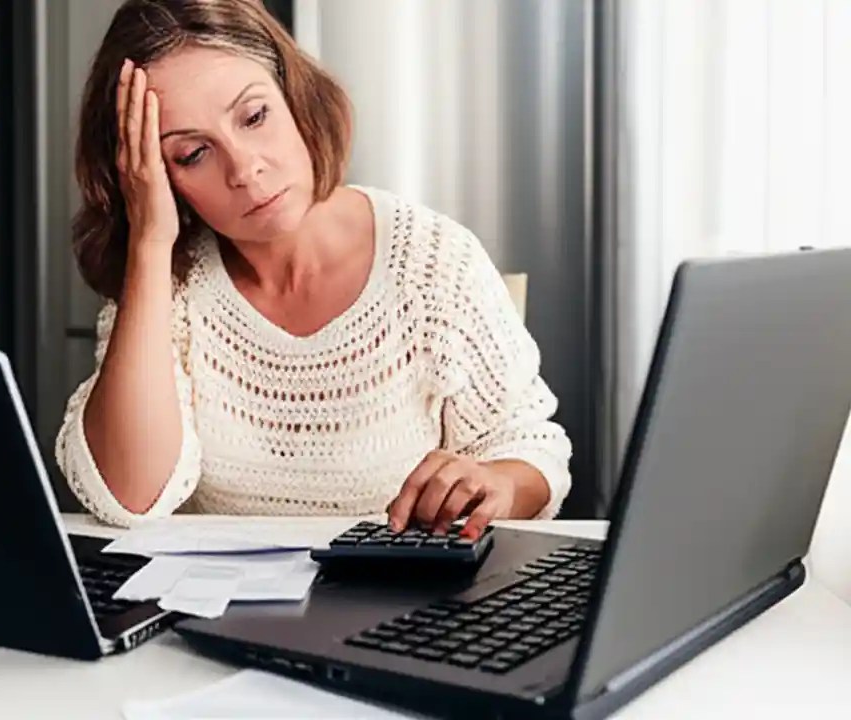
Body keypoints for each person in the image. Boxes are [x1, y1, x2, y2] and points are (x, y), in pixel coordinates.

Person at [55, 0, 572, 537]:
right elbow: (129, 498)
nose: (244, 167)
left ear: (293, 95)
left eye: (254, 117)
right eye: (192, 154)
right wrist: (150, 243)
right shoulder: (169, 281)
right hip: (217, 616)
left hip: (404, 610)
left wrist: (498, 483)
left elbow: (530, 445)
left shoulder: (431, 258)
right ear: (153, 178)